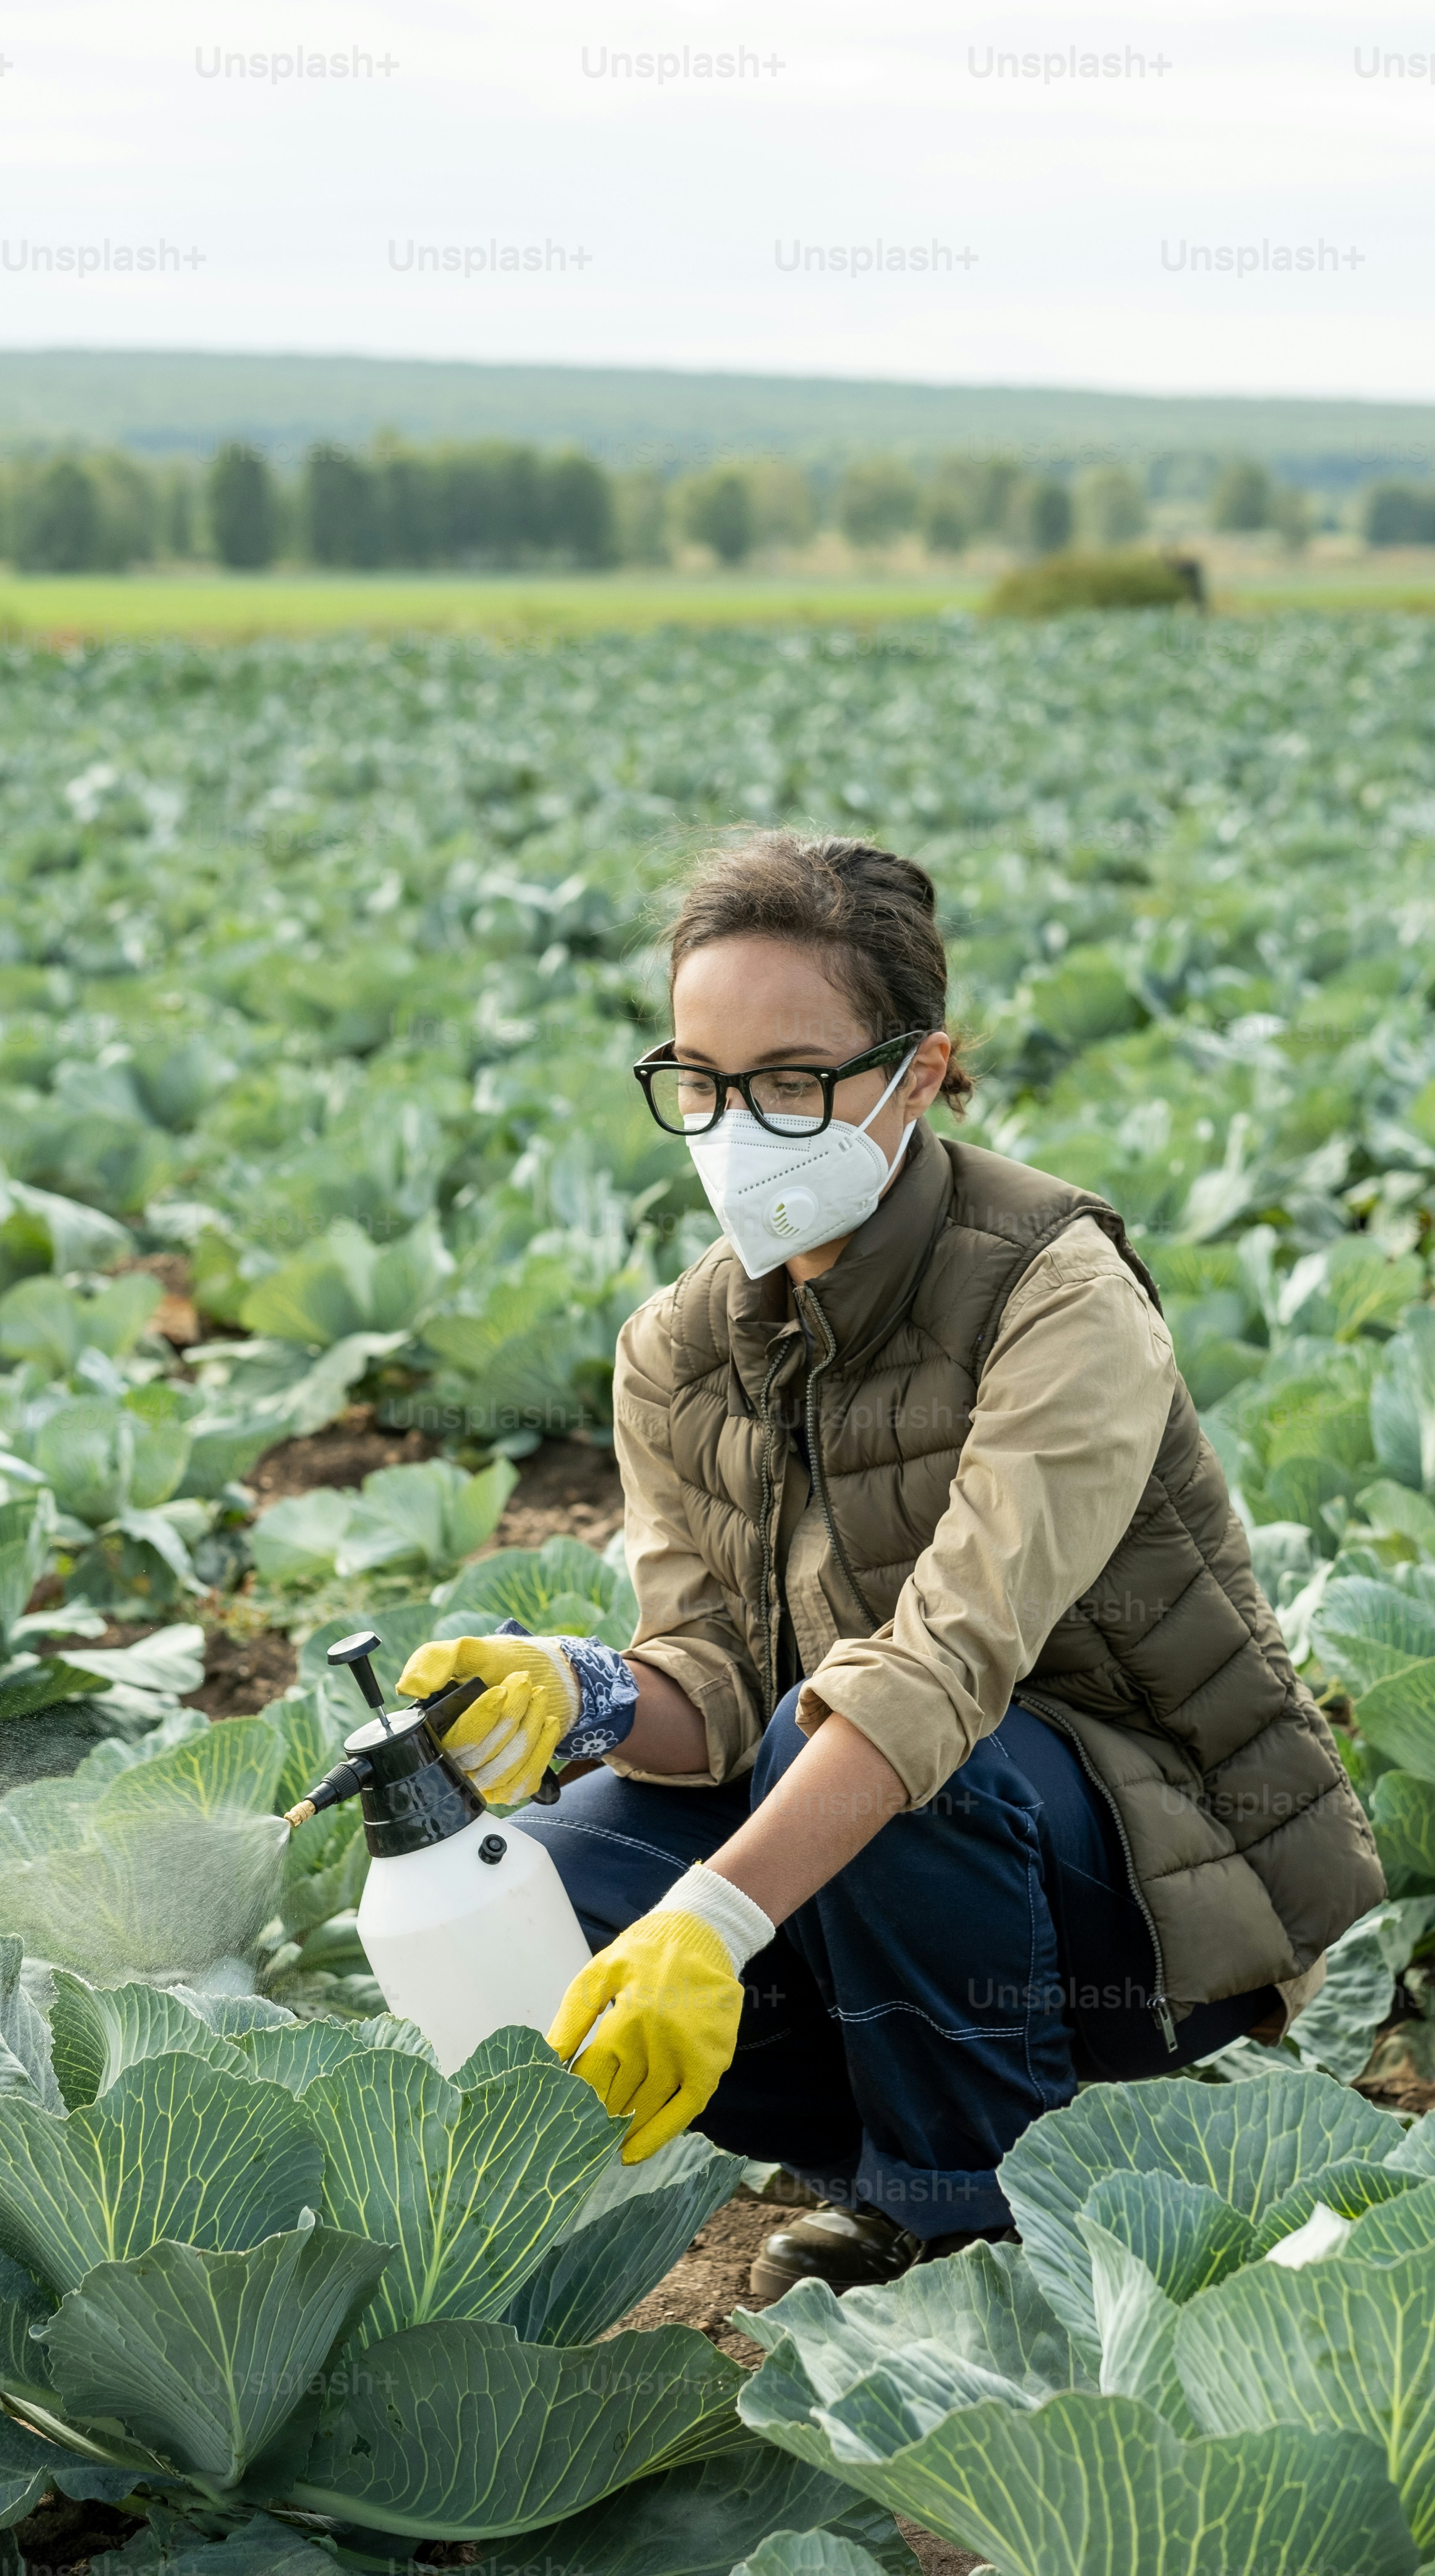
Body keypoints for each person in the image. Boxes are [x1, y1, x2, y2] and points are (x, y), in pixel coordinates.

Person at [398, 832, 1384, 2296]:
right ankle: (887, 2169)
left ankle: (974, 2220)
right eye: (703, 1082)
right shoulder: (677, 1346)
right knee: (549, 1877)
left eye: (795, 1080)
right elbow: (716, 1684)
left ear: (917, 1076)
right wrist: (583, 1691)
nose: (741, 1125)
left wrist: (715, 1918)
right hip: (896, 1850)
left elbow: (943, 1668)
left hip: (1162, 1887)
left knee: (859, 1737)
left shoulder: (1055, 1283)